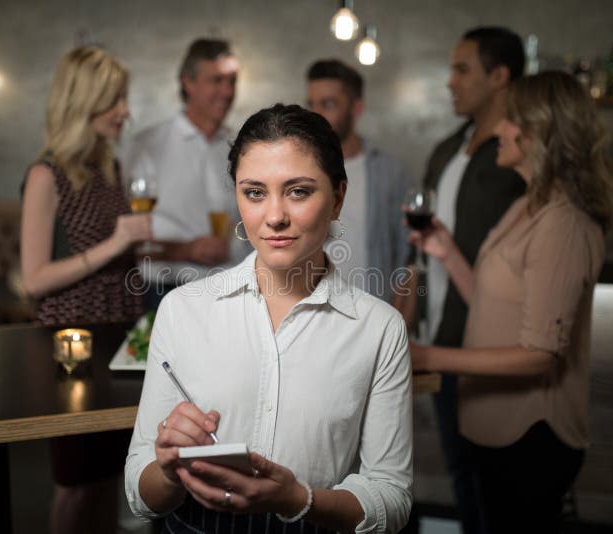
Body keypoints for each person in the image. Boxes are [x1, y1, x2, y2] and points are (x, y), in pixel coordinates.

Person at [125, 104, 414, 533]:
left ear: (337, 198)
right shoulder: (183, 310)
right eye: (255, 192)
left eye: (298, 191)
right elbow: (139, 492)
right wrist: (167, 469)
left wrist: (299, 500)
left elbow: (392, 498)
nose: (274, 216)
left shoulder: (380, 329)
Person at [410, 71, 613, 534]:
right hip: (492, 423)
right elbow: (488, 300)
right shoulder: (527, 205)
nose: (497, 130)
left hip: (531, 437)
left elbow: (540, 354)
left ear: (539, 130)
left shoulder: (563, 223)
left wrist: (426, 357)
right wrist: (446, 250)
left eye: (509, 121)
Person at [20, 46, 150, 534]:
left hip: (121, 333)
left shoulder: (109, 168)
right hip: (72, 341)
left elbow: (116, 253)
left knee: (105, 477)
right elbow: (34, 278)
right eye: (115, 98)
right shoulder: (45, 174)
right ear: (84, 101)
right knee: (75, 482)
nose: (126, 110)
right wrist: (119, 240)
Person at [419, 26, 527, 533]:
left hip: (494, 342)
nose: (450, 82)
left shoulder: (518, 158)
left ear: (500, 75)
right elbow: (419, 249)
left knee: (498, 482)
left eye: (462, 69)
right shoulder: (446, 150)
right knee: (462, 472)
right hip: (443, 335)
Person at [124, 38, 244, 304]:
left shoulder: (242, 147)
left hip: (230, 289)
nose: (227, 91)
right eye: (216, 80)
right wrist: (186, 250)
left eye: (232, 81)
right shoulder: (148, 145)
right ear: (187, 82)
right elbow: (124, 237)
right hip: (164, 290)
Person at [306, 59, 411, 302]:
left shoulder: (391, 172)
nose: (315, 115)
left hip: (370, 311)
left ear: (356, 108)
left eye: (328, 104)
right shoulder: (291, 170)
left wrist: (398, 322)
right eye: (311, 104)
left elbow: (408, 257)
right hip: (306, 311)